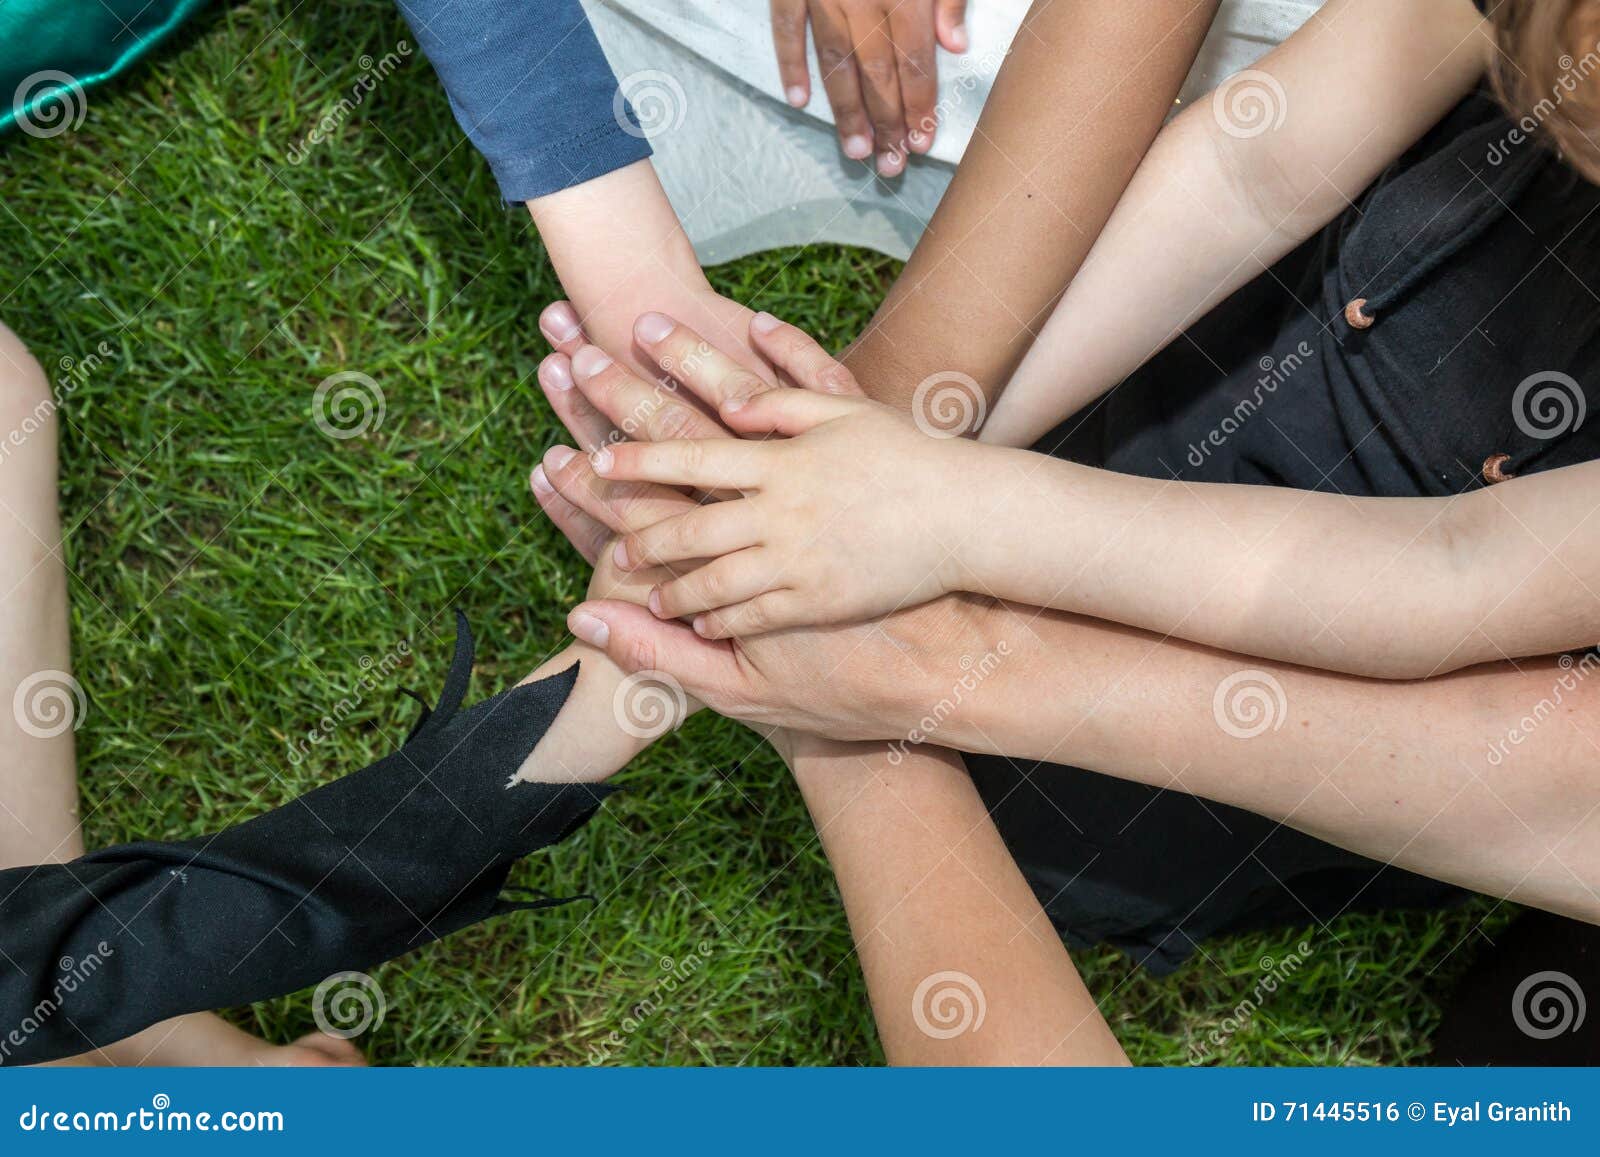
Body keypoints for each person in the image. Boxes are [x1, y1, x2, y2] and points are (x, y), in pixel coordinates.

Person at [541, 0, 1600, 981]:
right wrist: (873, 447)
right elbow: (1258, 164)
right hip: (1351, 312)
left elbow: (1459, 568)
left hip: (1473, 570)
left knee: (1045, 833)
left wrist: (944, 514)